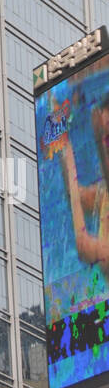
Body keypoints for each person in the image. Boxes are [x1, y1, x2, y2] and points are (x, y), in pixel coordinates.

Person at [58, 98, 109, 279]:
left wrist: (71, 165)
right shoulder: (103, 194)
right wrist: (64, 149)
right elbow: (75, 195)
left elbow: (83, 246)